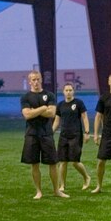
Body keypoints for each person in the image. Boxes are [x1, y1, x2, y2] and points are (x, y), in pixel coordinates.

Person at [20, 71, 65, 199]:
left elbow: (52, 113)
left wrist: (34, 111)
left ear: (41, 80)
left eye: (38, 79)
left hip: (46, 134)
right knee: (34, 163)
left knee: (53, 163)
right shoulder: (25, 97)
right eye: (33, 80)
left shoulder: (49, 95)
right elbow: (27, 115)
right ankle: (38, 191)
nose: (36, 82)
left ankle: (56, 190)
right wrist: (42, 108)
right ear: (29, 81)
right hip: (31, 134)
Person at [53, 82, 91, 191]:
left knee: (75, 161)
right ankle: (62, 185)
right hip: (63, 136)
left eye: (70, 90)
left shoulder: (79, 103)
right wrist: (50, 133)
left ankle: (86, 177)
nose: (68, 92)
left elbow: (84, 118)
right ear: (63, 92)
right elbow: (56, 121)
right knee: (63, 161)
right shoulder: (60, 105)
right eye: (66, 90)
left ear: (73, 91)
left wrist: (87, 132)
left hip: (76, 135)